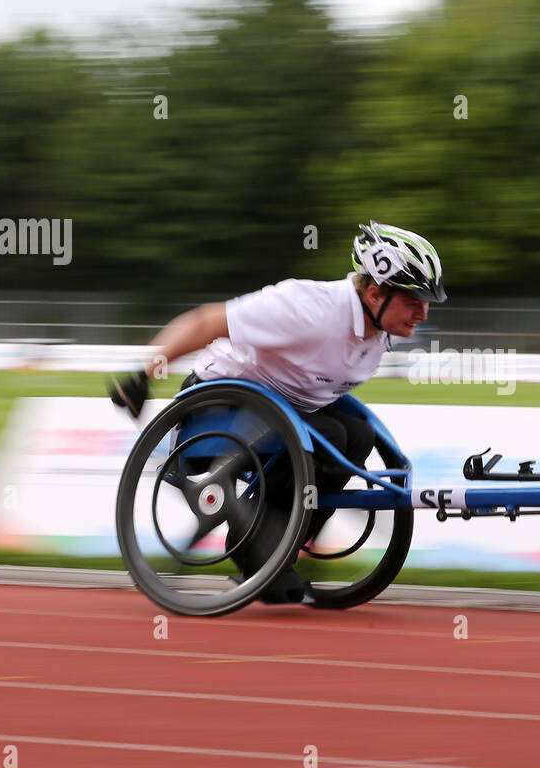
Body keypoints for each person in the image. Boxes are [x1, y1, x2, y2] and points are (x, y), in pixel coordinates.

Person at [107, 221, 446, 602]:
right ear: (373, 293)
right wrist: (145, 373)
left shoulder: (380, 329)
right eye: (413, 301)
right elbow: (206, 321)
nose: (423, 313)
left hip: (287, 412)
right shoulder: (307, 307)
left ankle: (277, 551)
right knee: (332, 438)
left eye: (426, 302)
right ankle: (256, 549)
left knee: (358, 436)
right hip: (223, 408)